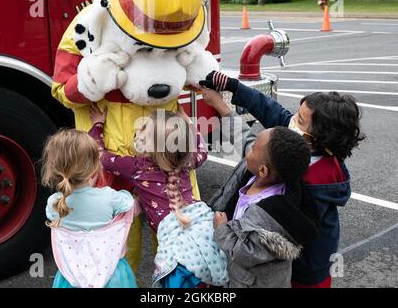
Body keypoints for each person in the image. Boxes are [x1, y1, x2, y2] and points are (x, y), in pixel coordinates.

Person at [200, 71, 365, 288]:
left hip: (302, 272)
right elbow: (273, 110)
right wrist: (234, 87)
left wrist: (223, 110)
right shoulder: (305, 148)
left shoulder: (302, 179)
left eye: (300, 120)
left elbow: (252, 147)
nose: (291, 120)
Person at [89, 105, 228, 288]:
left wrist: (98, 124)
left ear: (148, 143)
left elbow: (100, 156)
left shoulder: (138, 167)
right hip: (204, 228)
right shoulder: (187, 161)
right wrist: (188, 123)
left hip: (178, 253)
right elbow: (202, 150)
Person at [213, 126, 320, 287]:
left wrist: (221, 229)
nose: (249, 149)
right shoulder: (257, 176)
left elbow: (241, 252)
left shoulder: (269, 218)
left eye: (253, 148)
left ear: (263, 170)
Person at [42, 129, 137, 288]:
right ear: (94, 167)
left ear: (53, 168)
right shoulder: (109, 197)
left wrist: (84, 188)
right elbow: (129, 202)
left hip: (71, 277)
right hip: (112, 276)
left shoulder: (54, 203)